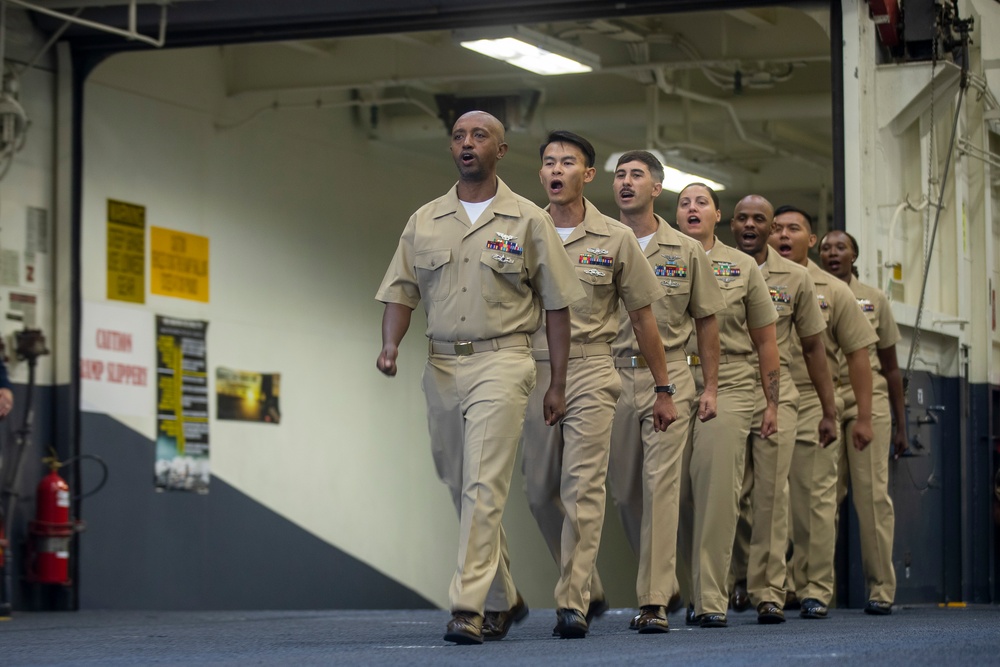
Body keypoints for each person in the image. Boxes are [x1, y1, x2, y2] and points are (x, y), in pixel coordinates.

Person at [374, 111, 584, 645]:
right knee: (457, 482)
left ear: (501, 150)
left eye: (479, 136)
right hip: (441, 364)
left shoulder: (529, 220)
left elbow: (558, 306)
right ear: (452, 149)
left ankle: (467, 606)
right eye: (460, 137)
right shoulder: (424, 219)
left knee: (483, 483)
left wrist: (557, 381)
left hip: (505, 359)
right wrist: (390, 345)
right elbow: (401, 290)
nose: (467, 144)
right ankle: (502, 597)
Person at [521, 131, 674, 639]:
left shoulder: (615, 237)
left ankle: (572, 600)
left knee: (582, 487)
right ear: (541, 173)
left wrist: (663, 387)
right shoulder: (521, 228)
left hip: (591, 366)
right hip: (534, 367)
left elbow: (644, 317)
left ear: (587, 175)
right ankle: (590, 584)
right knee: (540, 493)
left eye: (567, 162)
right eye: (548, 162)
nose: (556, 170)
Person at [604, 151, 725, 633]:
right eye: (620, 175)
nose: (626, 182)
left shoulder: (685, 250)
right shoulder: (599, 242)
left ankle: (653, 600)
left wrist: (710, 387)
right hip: (610, 376)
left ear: (657, 188)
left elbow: (707, 322)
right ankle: (664, 582)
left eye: (637, 175)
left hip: (670, 376)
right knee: (625, 494)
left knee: (661, 489)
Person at [673, 184, 779, 629]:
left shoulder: (741, 267)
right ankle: (664, 593)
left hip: (733, 381)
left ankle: (710, 599)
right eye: (684, 202)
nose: (692, 208)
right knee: (662, 496)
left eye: (702, 203)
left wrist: (770, 403)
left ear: (719, 216)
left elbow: (766, 340)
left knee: (718, 491)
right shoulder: (653, 258)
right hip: (672, 378)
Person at [728, 195, 838, 624]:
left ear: (772, 229)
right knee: (729, 495)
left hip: (780, 393)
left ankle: (768, 590)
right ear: (732, 225)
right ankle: (730, 581)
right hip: (727, 389)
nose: (751, 225)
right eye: (743, 219)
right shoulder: (714, 267)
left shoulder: (795, 278)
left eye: (761, 220)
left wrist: (829, 410)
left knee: (774, 496)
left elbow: (814, 347)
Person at [768, 207, 878, 620]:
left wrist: (862, 416)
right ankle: (773, 585)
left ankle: (815, 588)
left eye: (793, 229)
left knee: (815, 500)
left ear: (809, 240)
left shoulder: (833, 290)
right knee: (767, 502)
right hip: (765, 398)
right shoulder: (750, 278)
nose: (782, 235)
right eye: (776, 228)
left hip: (814, 400)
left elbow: (858, 355)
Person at [820, 228, 903, 615]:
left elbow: (890, 367)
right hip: (825, 399)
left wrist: (900, 426)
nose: (833, 253)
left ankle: (881, 589)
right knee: (820, 500)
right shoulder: (810, 290)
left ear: (855, 255)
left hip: (869, 401)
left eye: (841, 248)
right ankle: (816, 593)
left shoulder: (875, 298)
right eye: (826, 248)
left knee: (872, 498)